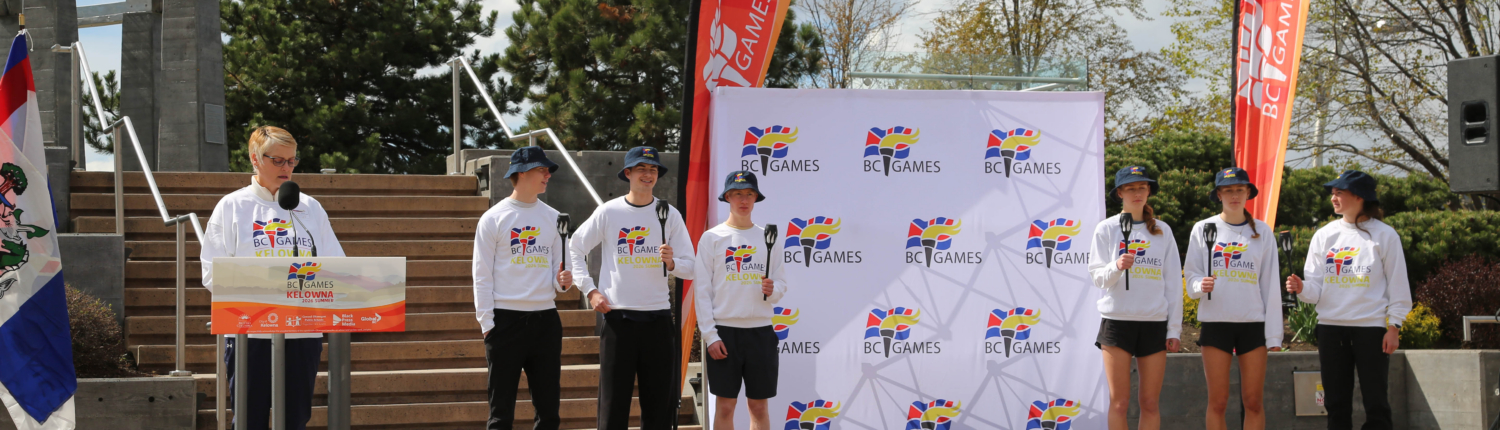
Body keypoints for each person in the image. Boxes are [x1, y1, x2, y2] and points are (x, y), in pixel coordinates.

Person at [201, 126, 346, 430]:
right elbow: (213, 271)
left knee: (295, 419)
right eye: (278, 160)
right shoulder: (232, 206)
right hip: (250, 333)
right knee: (249, 419)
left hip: (303, 332)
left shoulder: (310, 208)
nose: (286, 168)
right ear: (255, 158)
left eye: (292, 161)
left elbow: (336, 266)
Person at [566, 146, 696, 429]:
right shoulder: (609, 211)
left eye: (653, 169)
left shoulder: (669, 214)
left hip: (658, 320)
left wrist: (672, 263)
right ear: (628, 173)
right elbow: (574, 247)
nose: (648, 175)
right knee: (613, 407)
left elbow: (691, 266)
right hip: (618, 320)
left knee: (659, 409)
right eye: (641, 169)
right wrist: (590, 290)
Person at [1285, 170, 1411, 430]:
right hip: (1331, 329)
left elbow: (1398, 285)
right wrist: (1301, 287)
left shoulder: (1385, 235)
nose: (1333, 198)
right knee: (1335, 403)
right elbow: (1316, 289)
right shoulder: (1325, 235)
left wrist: (1394, 326)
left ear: (1359, 197)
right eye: (1333, 193)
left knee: (1376, 403)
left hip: (1371, 330)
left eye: (1339, 193)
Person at [472, 147, 575, 430]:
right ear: (521, 173)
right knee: (500, 414)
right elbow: (481, 275)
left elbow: (560, 274)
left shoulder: (555, 217)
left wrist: (564, 282)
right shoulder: (493, 218)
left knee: (548, 412)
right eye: (542, 169)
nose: (548, 175)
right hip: (505, 321)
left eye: (548, 170)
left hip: (546, 321)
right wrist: (488, 325)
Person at [1184, 167, 1281, 430]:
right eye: (1228, 190)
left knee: (1254, 402)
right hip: (1216, 323)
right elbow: (1191, 276)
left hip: (1253, 325)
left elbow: (1270, 285)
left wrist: (1274, 335)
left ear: (1248, 192)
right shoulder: (1203, 228)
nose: (1234, 195)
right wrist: (1199, 285)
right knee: (1218, 402)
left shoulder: (1262, 232)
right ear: (1219, 194)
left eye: (1239, 189)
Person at [1087, 166, 1182, 430]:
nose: (1137, 193)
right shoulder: (1106, 228)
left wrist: (1174, 329)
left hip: (1154, 324)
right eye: (1130, 188)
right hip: (1117, 323)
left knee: (1150, 403)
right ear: (1120, 193)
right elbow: (1097, 278)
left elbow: (1173, 284)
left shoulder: (1162, 230)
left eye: (1142, 187)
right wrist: (1116, 266)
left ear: (1149, 190)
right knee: (1119, 403)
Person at [692, 171, 787, 430]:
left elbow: (781, 284)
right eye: (737, 194)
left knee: (759, 406)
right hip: (724, 334)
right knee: (725, 406)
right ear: (727, 197)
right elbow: (702, 291)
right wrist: (710, 336)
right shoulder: (712, 238)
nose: (743, 200)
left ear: (756, 197)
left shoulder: (769, 238)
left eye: (748, 194)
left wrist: (772, 289)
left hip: (761, 333)